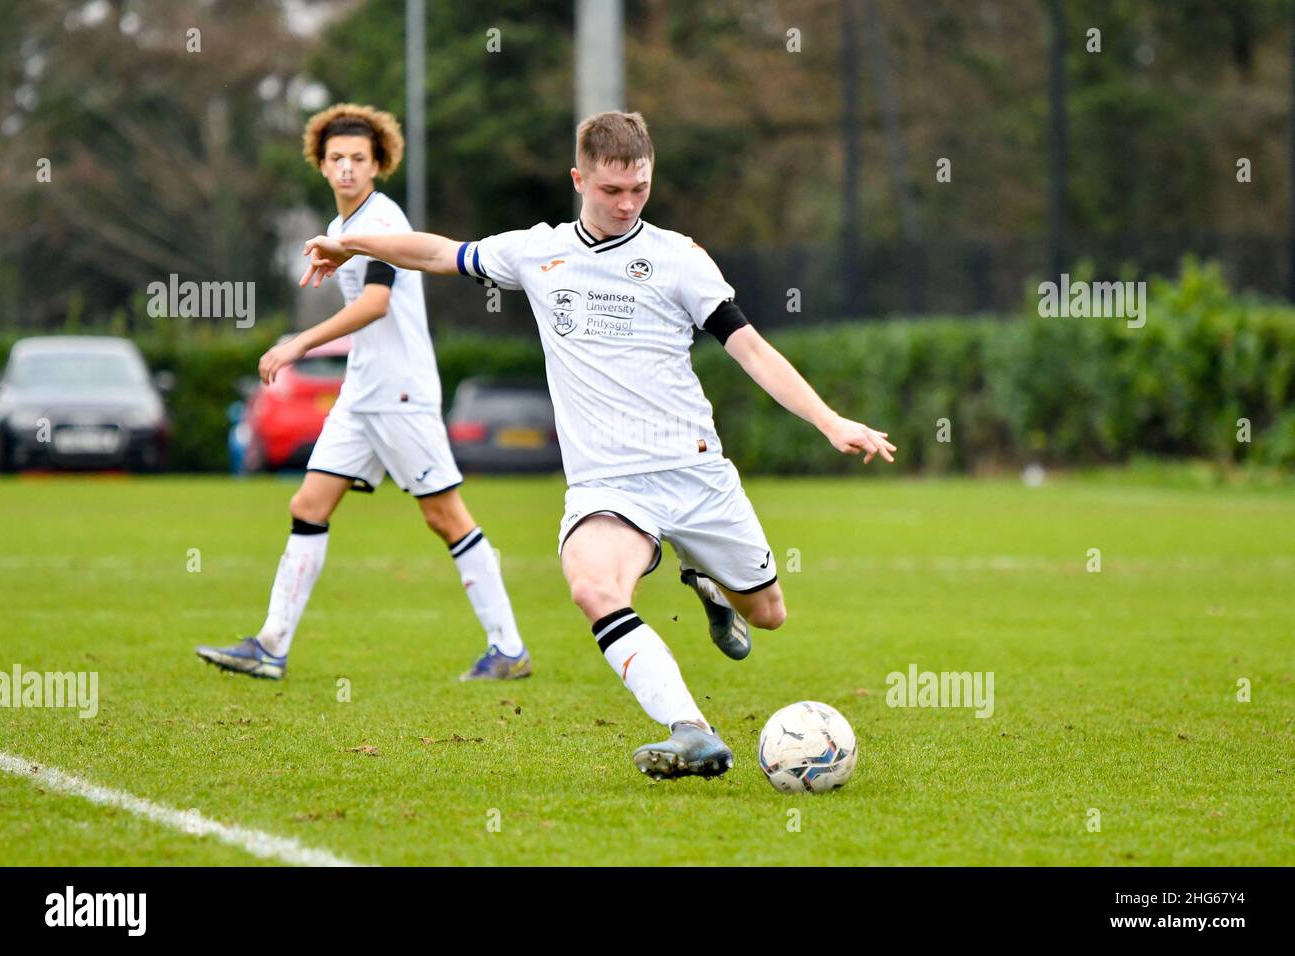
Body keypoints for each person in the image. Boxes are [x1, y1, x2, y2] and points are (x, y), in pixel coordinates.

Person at [299, 111, 895, 777]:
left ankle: (710, 586)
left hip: (694, 473)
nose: (627, 203)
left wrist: (829, 420)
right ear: (580, 179)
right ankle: (692, 730)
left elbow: (750, 350)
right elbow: (440, 253)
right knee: (591, 586)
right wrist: (356, 247)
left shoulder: (679, 258)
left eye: (639, 188)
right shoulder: (539, 252)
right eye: (612, 190)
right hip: (608, 486)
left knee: (771, 613)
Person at [197, 104, 530, 682]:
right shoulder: (340, 230)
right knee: (307, 506)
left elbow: (374, 305)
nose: (347, 168)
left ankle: (507, 649)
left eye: (358, 158)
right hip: (362, 394)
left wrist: (299, 343)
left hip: (401, 394)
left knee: (445, 516)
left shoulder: (384, 222)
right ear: (321, 167)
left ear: (379, 164)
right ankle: (272, 644)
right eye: (336, 159)